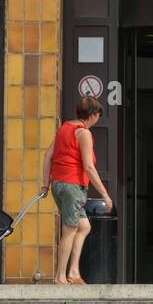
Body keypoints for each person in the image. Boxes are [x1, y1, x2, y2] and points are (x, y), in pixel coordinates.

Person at [41, 96, 112, 285]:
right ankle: (60, 277)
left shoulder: (64, 128)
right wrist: (105, 195)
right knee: (70, 229)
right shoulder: (84, 133)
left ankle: (73, 272)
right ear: (93, 114)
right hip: (73, 185)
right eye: (98, 115)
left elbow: (48, 156)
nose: (98, 119)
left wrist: (45, 184)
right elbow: (88, 167)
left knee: (84, 227)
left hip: (59, 183)